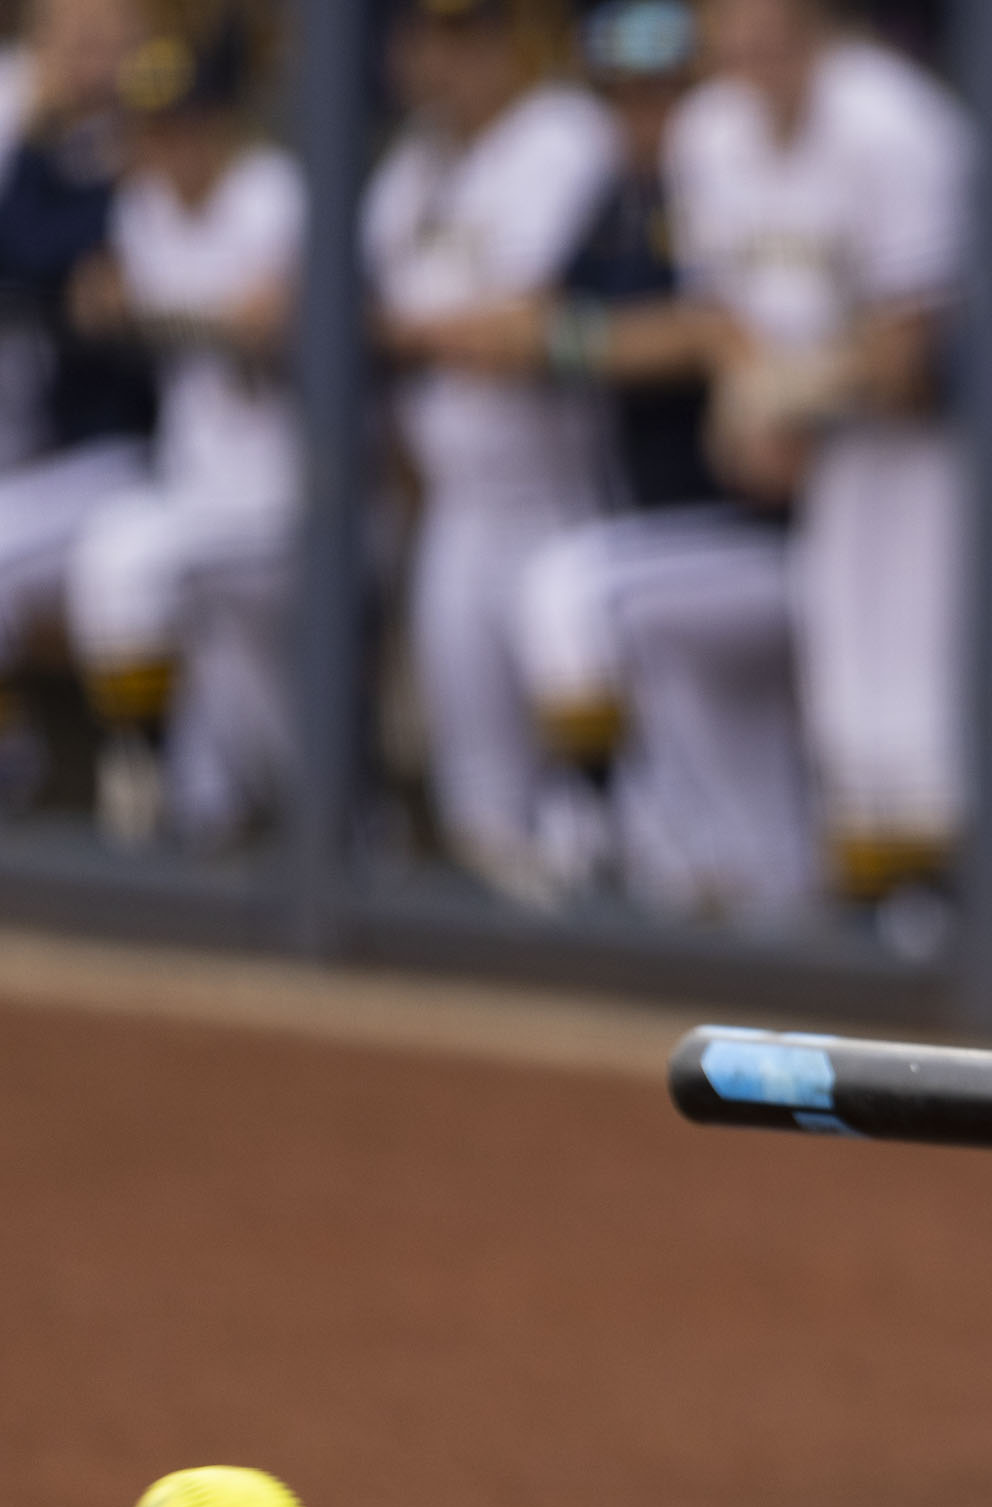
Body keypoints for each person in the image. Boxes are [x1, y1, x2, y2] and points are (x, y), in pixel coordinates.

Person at [429, 0, 817, 928]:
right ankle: (729, 907)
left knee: (572, 595)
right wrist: (551, 333)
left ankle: (584, 857)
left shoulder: (732, 187)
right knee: (730, 823)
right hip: (672, 543)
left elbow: (709, 328)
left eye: (665, 92)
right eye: (624, 95)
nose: (646, 116)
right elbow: (535, 315)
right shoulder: (619, 200)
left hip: (768, 534)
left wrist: (575, 341)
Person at [666, 0, 968, 945]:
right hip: (837, 446)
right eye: (730, 30)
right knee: (846, 701)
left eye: (770, 30)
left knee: (920, 709)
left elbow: (911, 349)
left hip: (935, 447)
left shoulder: (894, 122)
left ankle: (956, 942)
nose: (749, 51)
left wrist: (774, 399)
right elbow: (717, 308)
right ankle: (881, 944)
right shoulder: (707, 128)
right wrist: (756, 398)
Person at [367, 0, 620, 904]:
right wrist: (423, 333)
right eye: (432, 34)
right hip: (453, 496)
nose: (447, 57)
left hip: (554, 491)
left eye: (469, 33)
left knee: (577, 771)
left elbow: (520, 322)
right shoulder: (414, 164)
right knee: (475, 783)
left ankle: (597, 930)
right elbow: (378, 314)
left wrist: (407, 331)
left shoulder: (564, 136)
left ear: (515, 39)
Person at [63, 7, 301, 850]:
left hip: (287, 495)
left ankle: (142, 788)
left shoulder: (273, 192)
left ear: (220, 121)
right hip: (201, 490)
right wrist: (122, 303)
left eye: (183, 123)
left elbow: (263, 322)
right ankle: (168, 801)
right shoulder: (141, 204)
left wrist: (150, 310)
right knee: (245, 720)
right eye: (152, 127)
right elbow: (102, 297)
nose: (167, 144)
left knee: (123, 554)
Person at [0, 0, 145, 801]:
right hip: (79, 455)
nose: (90, 63)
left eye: (106, 42)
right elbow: (20, 242)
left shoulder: (155, 130)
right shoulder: (57, 144)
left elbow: (74, 234)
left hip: (147, 451)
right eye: (75, 43)